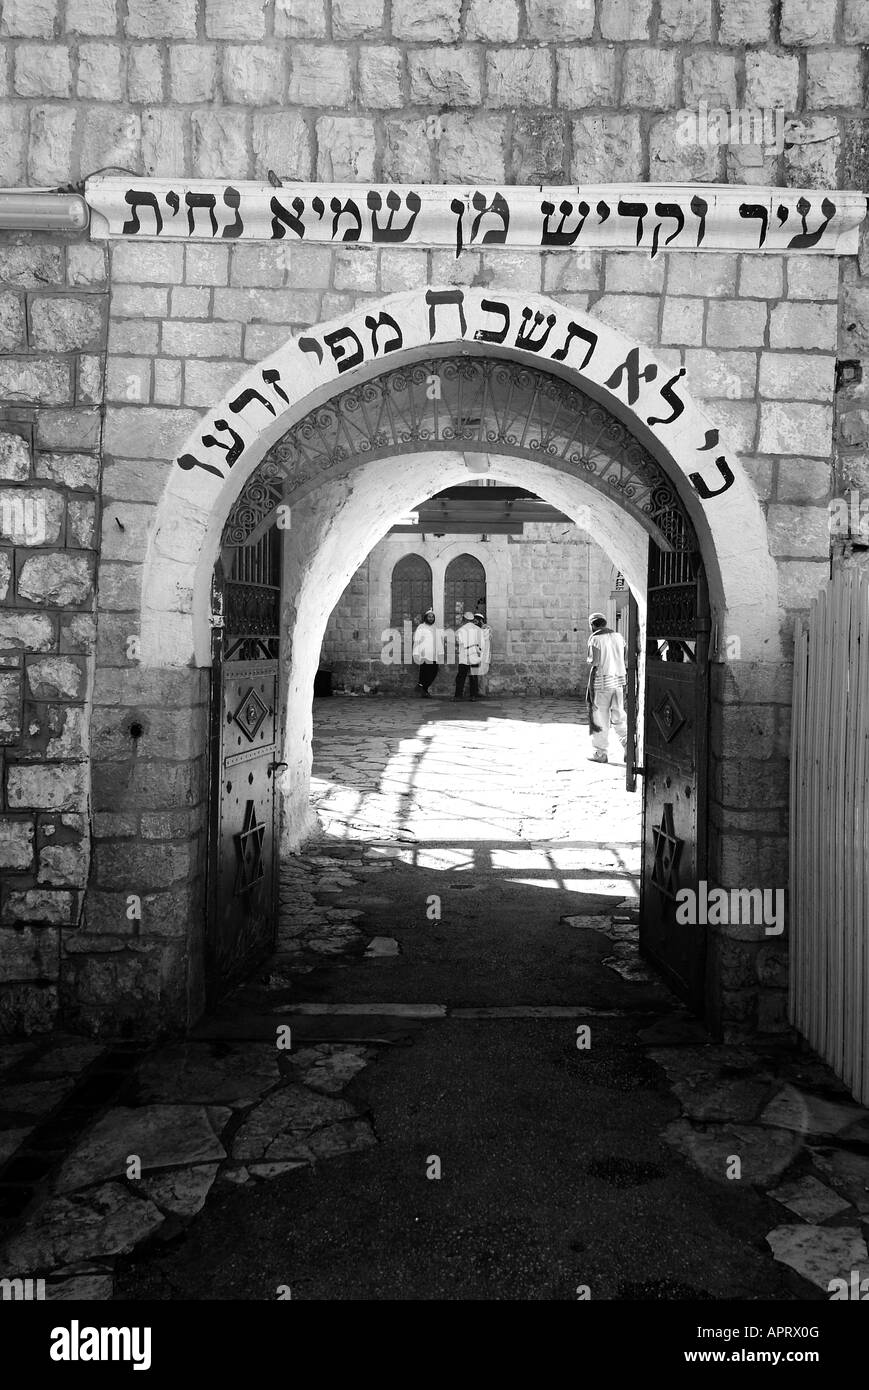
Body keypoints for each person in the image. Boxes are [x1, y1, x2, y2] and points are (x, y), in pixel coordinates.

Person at [586, 610, 627, 763]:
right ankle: (628, 746)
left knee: (600, 718)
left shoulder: (595, 639)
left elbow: (595, 661)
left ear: (592, 625)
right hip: (618, 682)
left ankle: (600, 753)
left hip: (602, 683)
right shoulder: (619, 637)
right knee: (619, 716)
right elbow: (624, 657)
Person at [454, 610, 482, 702]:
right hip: (475, 654)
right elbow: (482, 643)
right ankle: (473, 695)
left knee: (461, 676)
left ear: (464, 619)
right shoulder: (478, 629)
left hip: (465, 654)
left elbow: (458, 642)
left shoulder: (461, 630)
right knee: (473, 676)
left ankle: (458, 696)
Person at [412, 607, 439, 696]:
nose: (431, 618)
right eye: (429, 617)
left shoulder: (435, 627)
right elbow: (416, 640)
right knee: (425, 672)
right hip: (424, 654)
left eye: (432, 617)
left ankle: (421, 687)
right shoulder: (421, 627)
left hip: (434, 654)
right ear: (426, 617)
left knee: (434, 671)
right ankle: (424, 689)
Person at [472, 611, 491, 696]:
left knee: (482, 673)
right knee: (476, 673)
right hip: (476, 655)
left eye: (476, 621)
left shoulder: (486, 629)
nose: (474, 623)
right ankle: (476, 691)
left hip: (484, 655)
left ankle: (481, 691)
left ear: (481, 621)